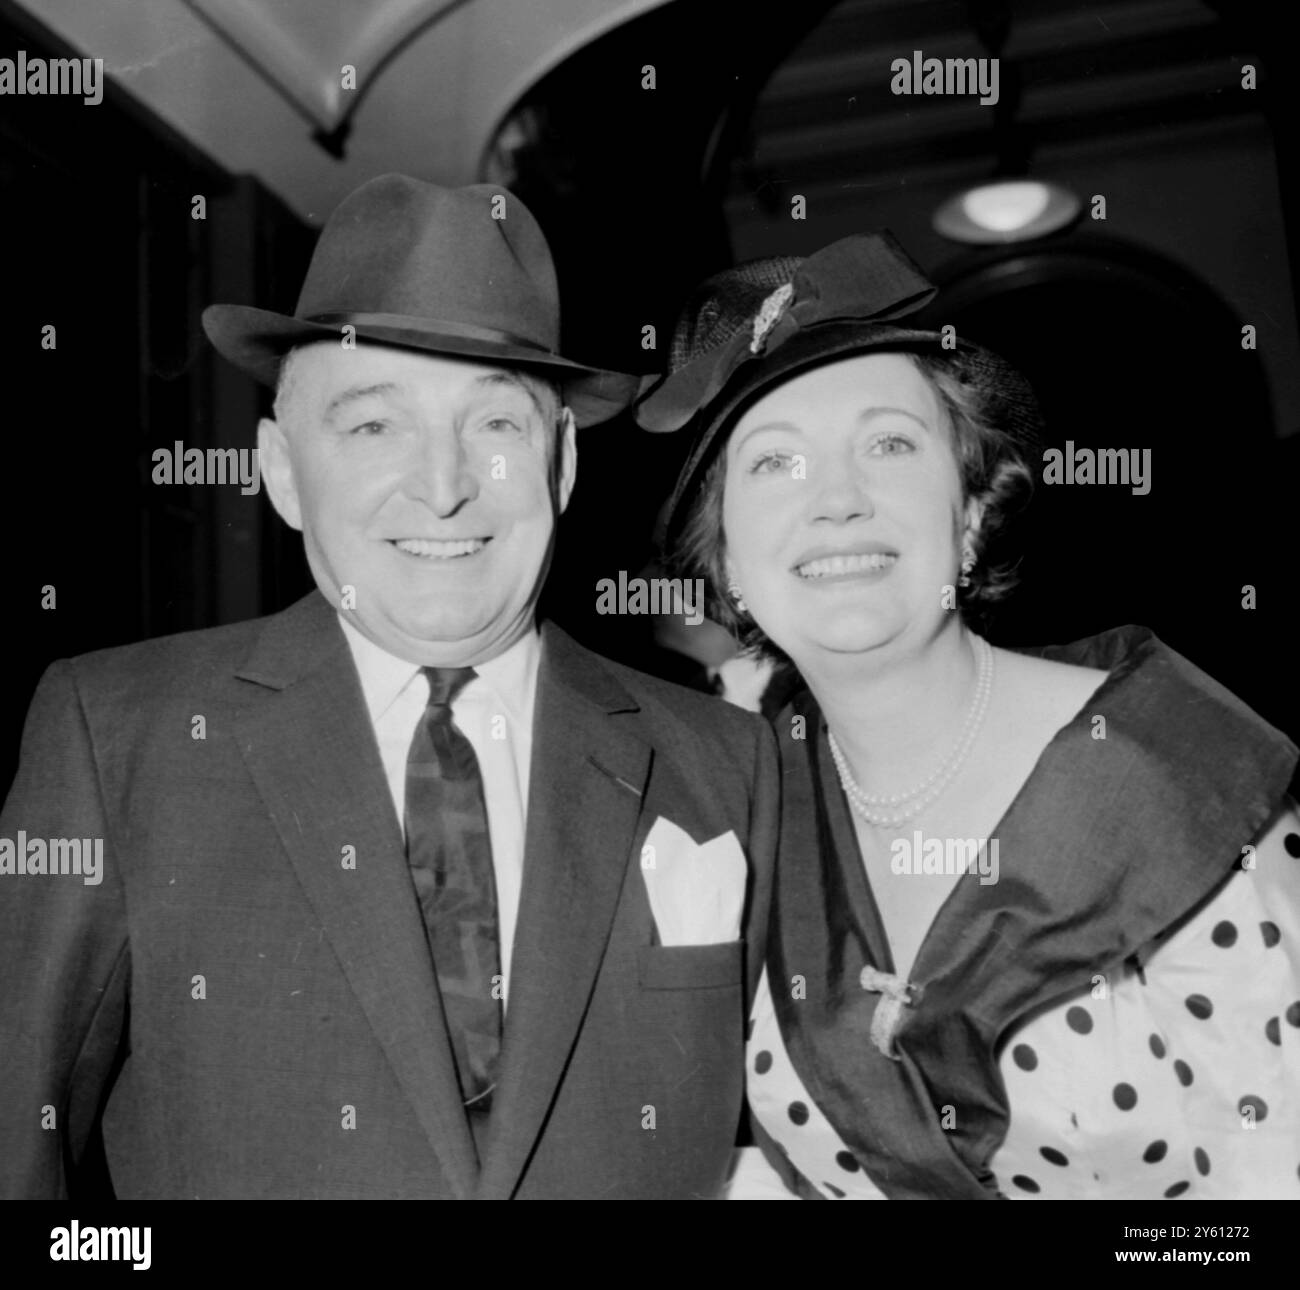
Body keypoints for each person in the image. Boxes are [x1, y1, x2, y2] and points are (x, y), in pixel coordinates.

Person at [0, 175, 776, 1200]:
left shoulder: (726, 762)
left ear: (562, 466)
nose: (444, 484)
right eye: (373, 426)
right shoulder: (116, 738)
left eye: (495, 425)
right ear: (280, 470)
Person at [639, 232, 1300, 1199]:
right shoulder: (744, 808)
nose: (836, 501)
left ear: (973, 512)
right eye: (774, 463)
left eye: (890, 444)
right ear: (729, 561)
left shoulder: (1174, 775)